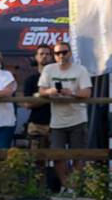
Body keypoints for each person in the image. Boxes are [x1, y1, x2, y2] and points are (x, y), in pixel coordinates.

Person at [38, 43, 92, 189]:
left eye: (64, 52)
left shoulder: (81, 70)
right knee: (57, 155)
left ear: (70, 53)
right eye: (57, 53)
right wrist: (52, 92)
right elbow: (42, 90)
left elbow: (87, 92)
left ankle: (74, 186)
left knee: (78, 155)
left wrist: (72, 93)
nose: (61, 55)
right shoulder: (49, 69)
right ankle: (65, 185)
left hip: (77, 118)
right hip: (57, 121)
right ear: (54, 56)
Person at [22, 45, 54, 149]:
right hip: (37, 124)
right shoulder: (30, 80)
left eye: (47, 54)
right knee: (36, 160)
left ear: (52, 57)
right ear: (36, 57)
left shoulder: (58, 77)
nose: (44, 56)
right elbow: (27, 104)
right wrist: (49, 95)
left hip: (58, 123)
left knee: (59, 158)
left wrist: (39, 96)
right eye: (41, 54)